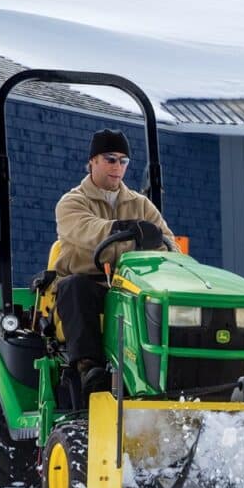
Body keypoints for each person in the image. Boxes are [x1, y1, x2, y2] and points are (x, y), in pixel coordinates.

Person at [53, 128, 177, 395]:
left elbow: (168, 243)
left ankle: (173, 374)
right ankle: (89, 369)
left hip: (132, 287)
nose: (117, 166)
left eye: (123, 161)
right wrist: (125, 230)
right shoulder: (72, 203)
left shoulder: (141, 205)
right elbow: (87, 231)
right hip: (91, 285)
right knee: (74, 287)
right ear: (93, 161)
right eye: (110, 159)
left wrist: (159, 243)